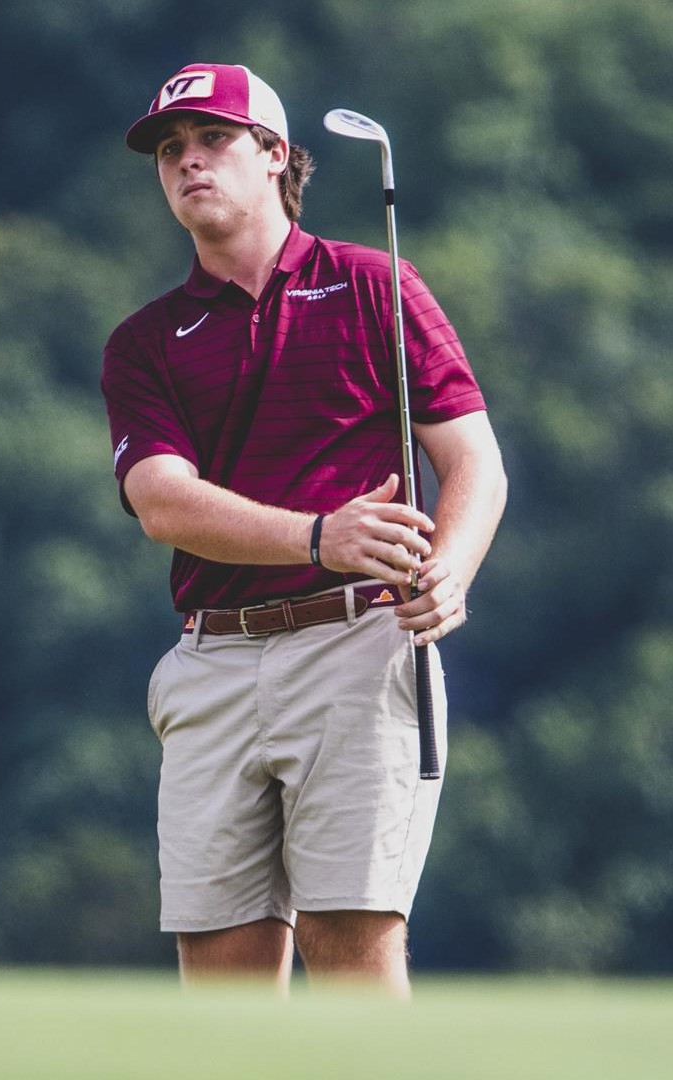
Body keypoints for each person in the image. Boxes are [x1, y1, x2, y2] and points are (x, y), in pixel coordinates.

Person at [101, 63, 508, 997]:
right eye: (171, 151)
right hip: (213, 662)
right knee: (223, 977)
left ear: (276, 156)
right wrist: (319, 534)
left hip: (360, 648)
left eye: (213, 141)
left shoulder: (374, 285)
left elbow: (475, 460)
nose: (188, 164)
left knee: (351, 937)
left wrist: (449, 570)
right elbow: (162, 500)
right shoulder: (146, 341)